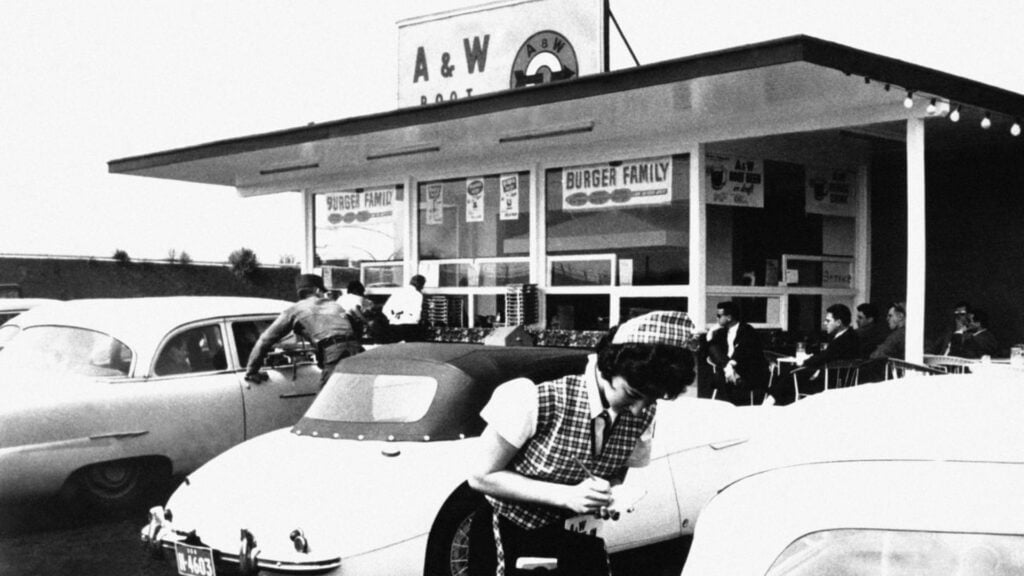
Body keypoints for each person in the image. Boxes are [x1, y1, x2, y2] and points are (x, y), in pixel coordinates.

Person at [466, 311, 696, 576]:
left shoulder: (643, 412)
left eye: (652, 399)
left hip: (579, 534)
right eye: (632, 394)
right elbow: (481, 476)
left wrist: (607, 495)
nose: (638, 410)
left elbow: (614, 473)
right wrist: (567, 496)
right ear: (610, 368)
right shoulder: (536, 395)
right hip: (513, 531)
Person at [244, 273, 360, 388]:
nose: (324, 295)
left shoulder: (295, 310)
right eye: (323, 292)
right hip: (357, 351)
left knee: (328, 398)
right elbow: (351, 328)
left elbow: (265, 340)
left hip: (334, 353)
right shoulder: (335, 305)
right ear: (317, 290)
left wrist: (251, 371)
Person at [789, 304, 860, 400]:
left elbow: (823, 357)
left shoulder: (842, 340)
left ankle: (772, 401)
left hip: (831, 385)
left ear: (838, 322)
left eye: (828, 321)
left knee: (790, 376)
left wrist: (804, 361)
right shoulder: (851, 336)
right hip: (844, 383)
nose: (824, 323)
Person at [706, 301, 769, 406]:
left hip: (745, 370)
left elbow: (745, 352)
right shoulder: (721, 332)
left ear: (729, 317)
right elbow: (712, 352)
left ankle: (729, 404)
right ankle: (729, 403)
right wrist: (710, 334)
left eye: (719, 316)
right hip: (728, 372)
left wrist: (732, 364)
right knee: (713, 349)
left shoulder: (747, 330)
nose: (716, 319)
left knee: (719, 377)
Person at [383, 274, 427, 342]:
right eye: (422, 285)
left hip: (394, 326)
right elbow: (417, 313)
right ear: (420, 285)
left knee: (395, 347)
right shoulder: (417, 295)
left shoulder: (397, 292)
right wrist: (415, 320)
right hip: (410, 327)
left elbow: (385, 309)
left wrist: (393, 317)